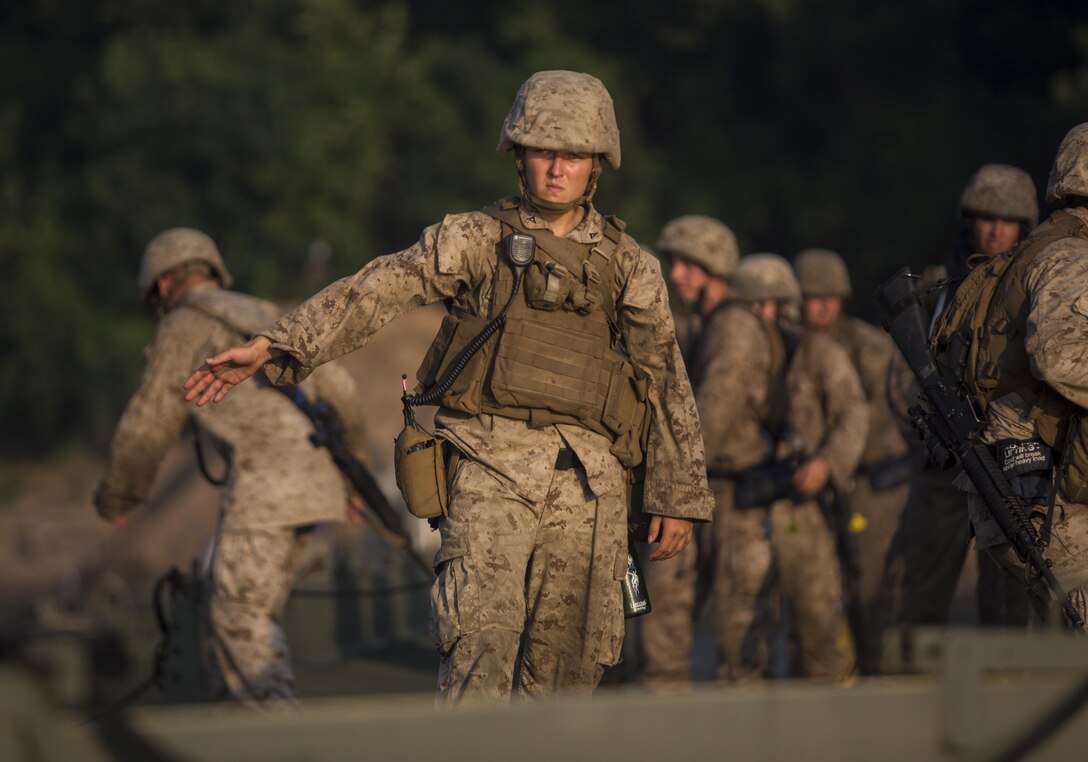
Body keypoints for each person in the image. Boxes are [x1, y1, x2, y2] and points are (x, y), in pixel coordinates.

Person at [183, 70, 714, 703]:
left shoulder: (633, 267)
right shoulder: (475, 239)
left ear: (597, 164)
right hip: (489, 473)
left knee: (564, 690)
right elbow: (379, 288)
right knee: (477, 664)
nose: (556, 168)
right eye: (543, 150)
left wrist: (678, 496)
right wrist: (280, 342)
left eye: (573, 154)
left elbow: (666, 381)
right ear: (519, 155)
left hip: (591, 495)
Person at [93, 228, 371, 706]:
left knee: (236, 618)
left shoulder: (182, 325)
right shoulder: (263, 313)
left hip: (268, 484)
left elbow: (148, 423)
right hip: (317, 475)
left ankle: (281, 738)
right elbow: (341, 389)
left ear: (161, 286)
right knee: (251, 616)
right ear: (213, 271)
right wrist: (353, 476)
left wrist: (121, 495)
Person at [934, 124, 1088, 629]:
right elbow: (1060, 358)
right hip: (1051, 506)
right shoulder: (1070, 257)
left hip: (1031, 495)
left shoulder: (1036, 251)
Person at [698, 253, 867, 680]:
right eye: (753, 307)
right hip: (746, 504)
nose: (762, 316)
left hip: (802, 508)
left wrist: (827, 464)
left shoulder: (817, 351)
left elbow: (853, 412)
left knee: (819, 631)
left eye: (770, 305)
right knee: (744, 638)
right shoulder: (732, 350)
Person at [882, 164, 1037, 630]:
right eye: (985, 216)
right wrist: (930, 432)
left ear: (1022, 226)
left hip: (1007, 458)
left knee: (1010, 592)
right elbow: (899, 378)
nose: (994, 229)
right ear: (968, 219)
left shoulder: (1034, 284)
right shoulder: (937, 287)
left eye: (1006, 220)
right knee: (921, 589)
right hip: (944, 463)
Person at [793, 248, 910, 667]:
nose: (822, 305)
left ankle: (883, 671)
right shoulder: (793, 344)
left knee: (873, 586)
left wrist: (831, 448)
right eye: (813, 295)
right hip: (817, 483)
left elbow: (885, 412)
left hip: (872, 483)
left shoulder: (869, 345)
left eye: (831, 295)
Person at [637, 215, 739, 690]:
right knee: (663, 624)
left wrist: (675, 489)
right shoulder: (696, 325)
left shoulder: (734, 328)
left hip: (722, 494)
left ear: (715, 268)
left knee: (739, 637)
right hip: (692, 489)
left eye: (688, 265)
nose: (676, 274)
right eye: (674, 263)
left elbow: (712, 416)